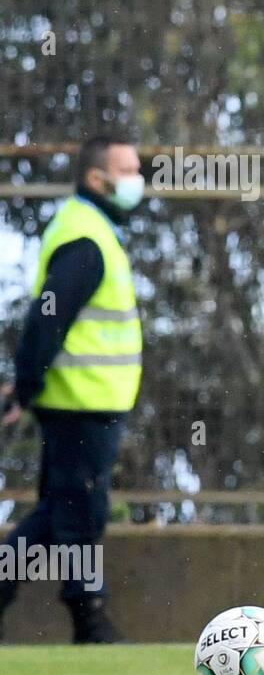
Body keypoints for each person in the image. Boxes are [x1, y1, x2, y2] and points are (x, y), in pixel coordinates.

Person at [0, 135, 145, 643]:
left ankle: (87, 614)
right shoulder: (86, 237)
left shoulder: (93, 229)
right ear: (96, 178)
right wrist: (26, 385)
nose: (137, 179)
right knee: (75, 513)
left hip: (88, 401)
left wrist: (25, 388)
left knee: (64, 510)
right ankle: (89, 618)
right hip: (80, 403)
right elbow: (47, 318)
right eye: (127, 169)